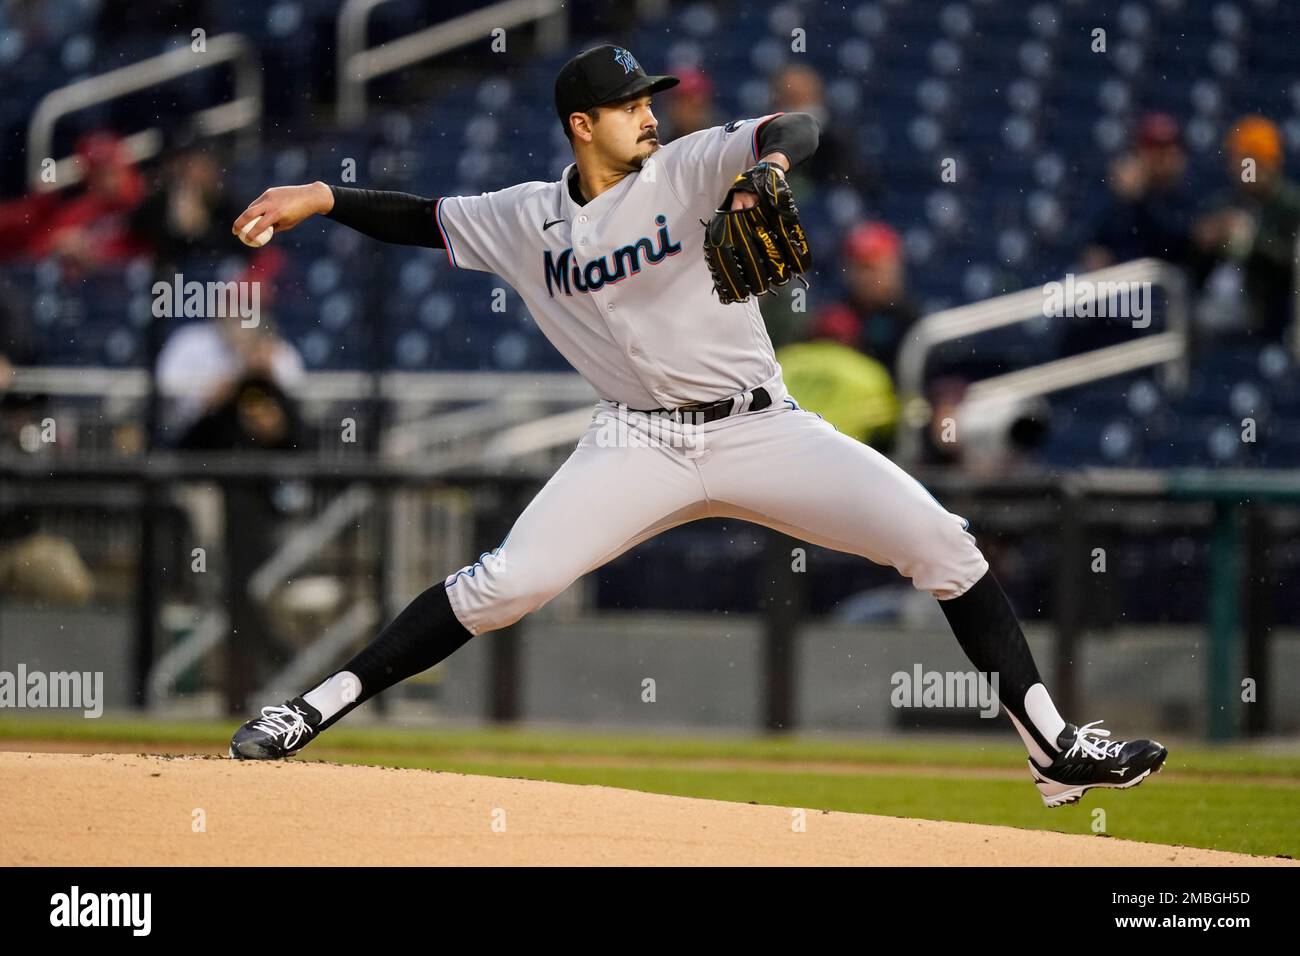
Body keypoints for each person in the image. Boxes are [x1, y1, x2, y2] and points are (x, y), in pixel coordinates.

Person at [226, 44, 1167, 808]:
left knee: (945, 544)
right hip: (637, 441)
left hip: (764, 428)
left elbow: (796, 124)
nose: (650, 112)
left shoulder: (689, 163)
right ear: (581, 125)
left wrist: (768, 165)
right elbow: (423, 218)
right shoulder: (522, 219)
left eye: (652, 99)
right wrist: (320, 199)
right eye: (631, 103)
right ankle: (308, 711)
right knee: (504, 584)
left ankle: (1051, 749)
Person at [1192, 115, 1300, 342]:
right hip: (1217, 296)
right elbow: (1197, 257)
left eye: (1251, 162)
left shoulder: (1290, 204)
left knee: (1196, 319)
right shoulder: (1226, 201)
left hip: (1265, 304)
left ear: (1271, 164)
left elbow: (1289, 261)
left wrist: (1252, 241)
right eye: (1239, 161)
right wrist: (1206, 240)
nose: (1244, 169)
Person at [0, 131, 146, 267]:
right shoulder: (79, 212)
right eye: (98, 172)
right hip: (96, 289)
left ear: (125, 166)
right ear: (87, 175)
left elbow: (155, 251)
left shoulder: (145, 201)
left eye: (112, 169)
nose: (107, 180)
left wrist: (96, 257)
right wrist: (59, 246)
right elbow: (38, 251)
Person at [1080, 113, 1193, 272]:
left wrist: (1140, 199)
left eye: (1168, 149)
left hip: (1168, 286)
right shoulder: (1117, 195)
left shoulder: (1190, 193)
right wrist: (1125, 199)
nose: (1162, 157)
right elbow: (1094, 242)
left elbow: (1173, 242)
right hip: (1123, 286)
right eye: (1154, 149)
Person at [809, 221, 919, 375]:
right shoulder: (834, 318)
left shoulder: (911, 320)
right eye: (859, 268)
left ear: (894, 267)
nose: (865, 277)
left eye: (873, 267)